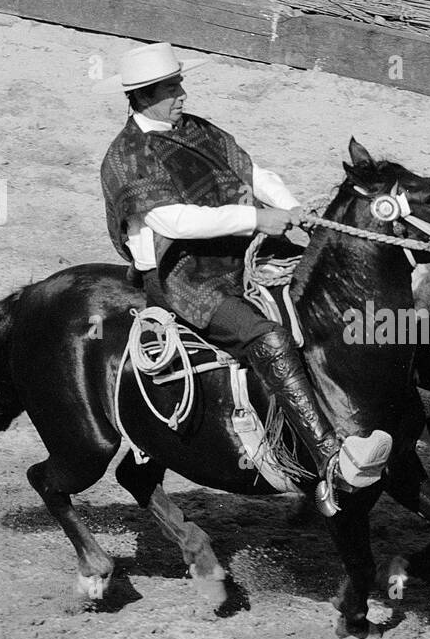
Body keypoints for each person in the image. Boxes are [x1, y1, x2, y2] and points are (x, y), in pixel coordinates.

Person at [96, 43, 390, 515]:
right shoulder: (126, 156)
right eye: (172, 88)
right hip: (184, 275)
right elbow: (174, 222)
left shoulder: (199, 130)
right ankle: (330, 462)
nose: (182, 94)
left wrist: (288, 207)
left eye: (179, 84)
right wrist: (256, 218)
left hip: (241, 252)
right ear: (144, 95)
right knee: (268, 334)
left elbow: (253, 172)